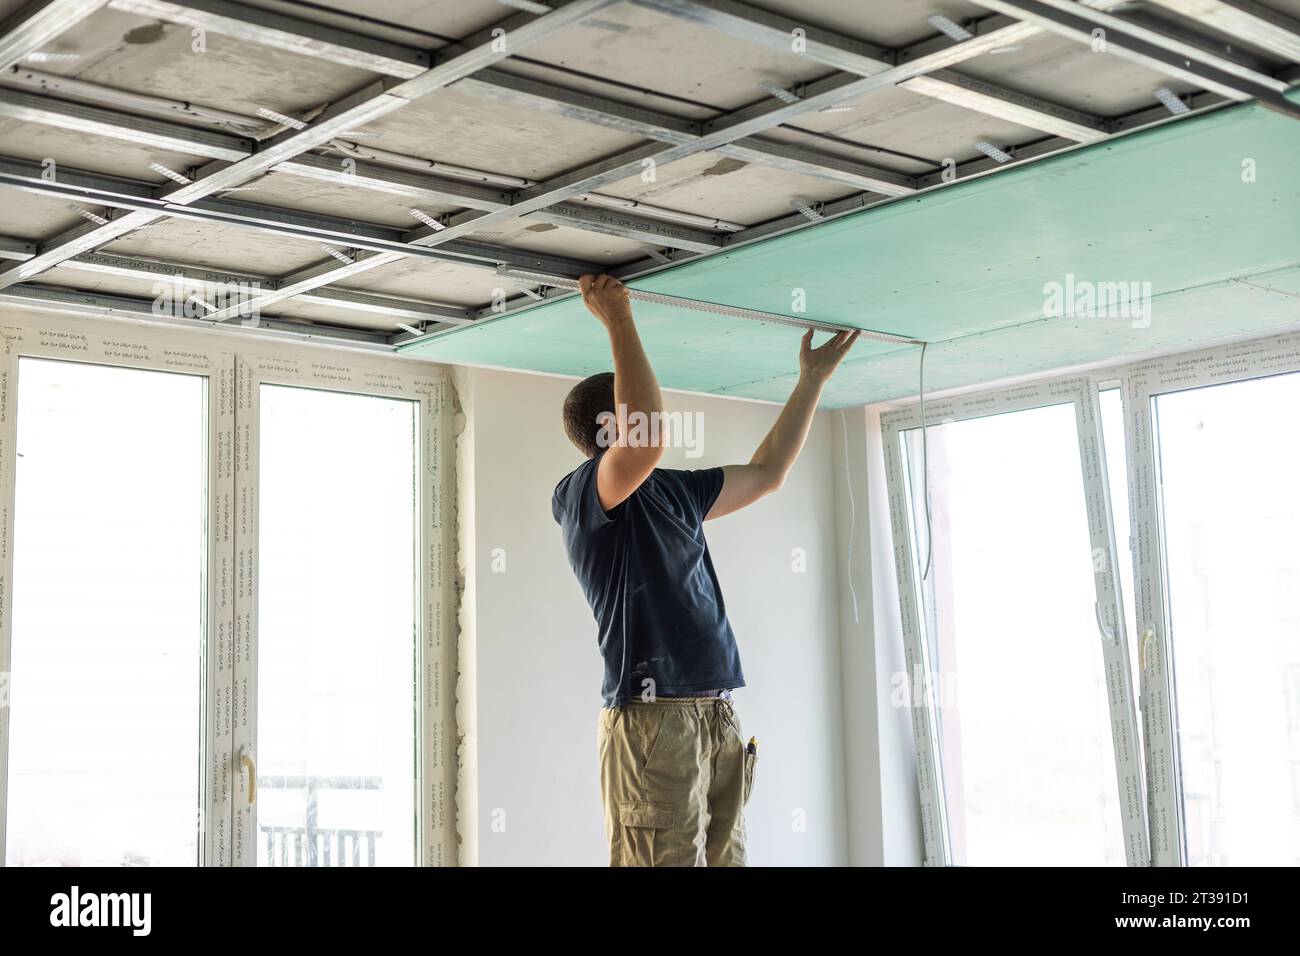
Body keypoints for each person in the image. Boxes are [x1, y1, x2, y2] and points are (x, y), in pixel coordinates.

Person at [552, 273, 860, 866]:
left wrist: (811, 381)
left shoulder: (675, 492)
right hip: (651, 719)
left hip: (713, 712)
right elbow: (646, 439)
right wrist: (618, 318)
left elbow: (767, 472)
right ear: (610, 424)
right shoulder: (586, 496)